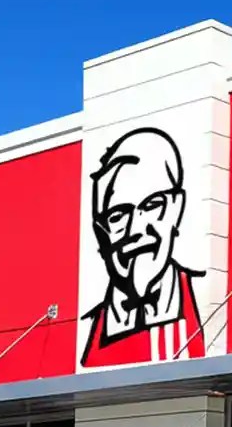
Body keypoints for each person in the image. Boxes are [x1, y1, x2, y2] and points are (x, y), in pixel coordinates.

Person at [80, 127, 204, 367]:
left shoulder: (207, 300)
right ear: (100, 234)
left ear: (177, 208)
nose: (137, 228)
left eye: (152, 204)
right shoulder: (85, 327)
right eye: (118, 216)